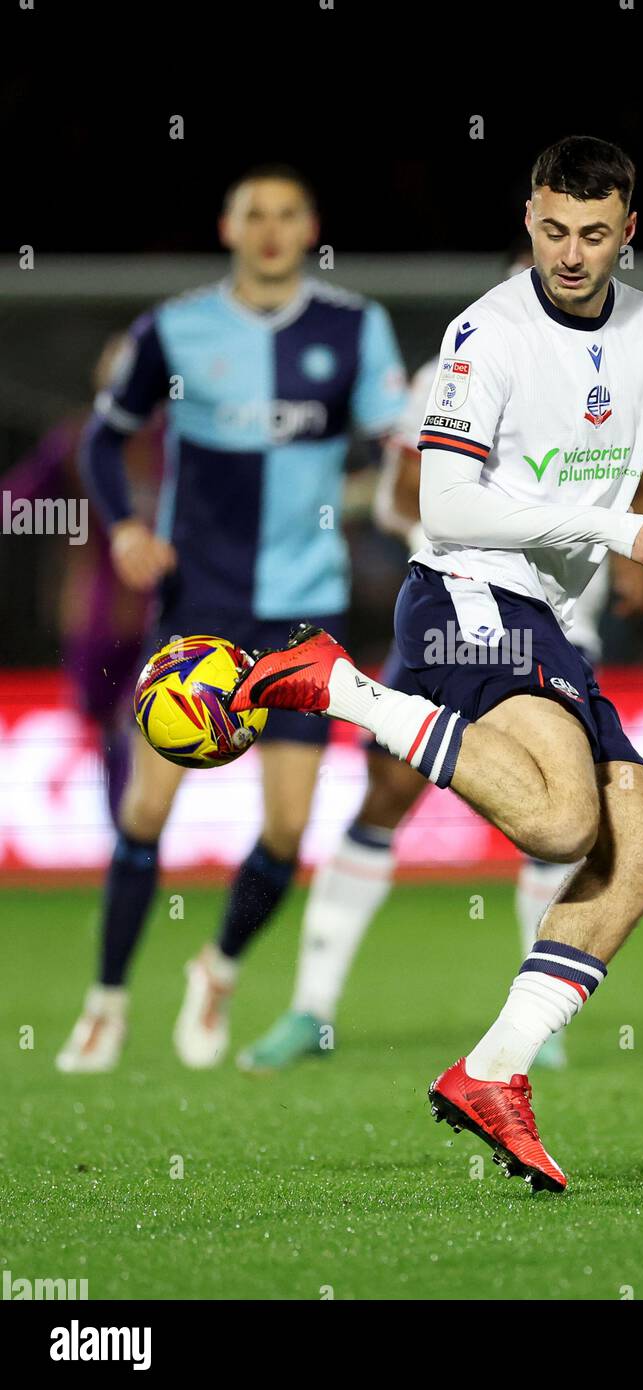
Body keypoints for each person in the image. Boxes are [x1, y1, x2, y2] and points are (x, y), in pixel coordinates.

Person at [228, 134, 643, 1192]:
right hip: (463, 593)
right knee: (559, 824)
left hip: (541, 612)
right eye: (551, 229)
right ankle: (344, 687)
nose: (569, 252)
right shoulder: (485, 333)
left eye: (593, 234)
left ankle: (493, 1070)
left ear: (627, 234)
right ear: (529, 219)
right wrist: (610, 522)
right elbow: (444, 499)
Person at [238, 270, 643, 1075]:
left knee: (571, 819)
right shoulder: (459, 367)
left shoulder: (622, 369)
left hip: (566, 622)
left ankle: (532, 1026)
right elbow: (405, 493)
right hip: (465, 605)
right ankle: (311, 1008)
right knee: (392, 798)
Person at [56, 164, 407, 1074]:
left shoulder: (351, 327)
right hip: (197, 606)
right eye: (255, 213)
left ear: (308, 227)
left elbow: (396, 445)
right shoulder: (174, 328)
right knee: (146, 807)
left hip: (301, 610)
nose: (271, 229)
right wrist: (127, 527)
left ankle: (217, 967)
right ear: (229, 226)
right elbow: (100, 435)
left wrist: (416, 499)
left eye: (288, 214)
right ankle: (106, 1002)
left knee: (288, 831)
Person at [1, 336, 162, 823]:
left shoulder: (178, 446)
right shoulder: (75, 443)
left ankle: (136, 836)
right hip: (97, 615)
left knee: (147, 722)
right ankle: (130, 839)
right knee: (116, 727)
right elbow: (16, 506)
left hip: (166, 613)